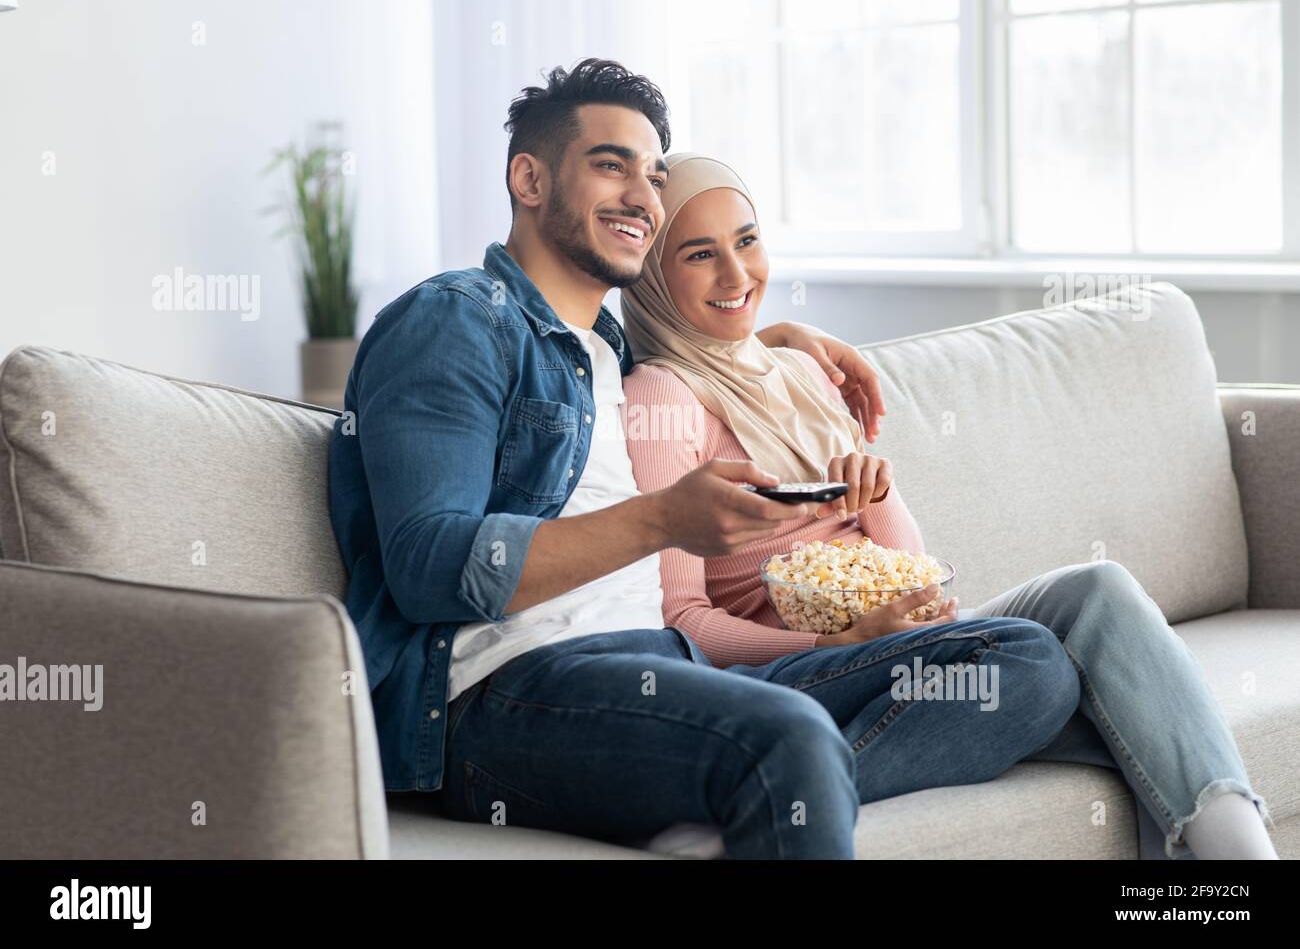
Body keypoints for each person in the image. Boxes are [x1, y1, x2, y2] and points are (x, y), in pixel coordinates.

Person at [328, 58, 1079, 859]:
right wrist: (661, 520)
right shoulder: (455, 321)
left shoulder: (608, 357)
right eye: (609, 164)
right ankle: (765, 781)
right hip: (510, 696)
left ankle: (738, 801)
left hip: (668, 668)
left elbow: (698, 342)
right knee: (784, 736)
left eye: (652, 175)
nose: (641, 197)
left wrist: (776, 344)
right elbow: (426, 566)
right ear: (529, 178)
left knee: (1023, 661)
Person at [619, 151, 1278, 860]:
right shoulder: (663, 399)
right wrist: (832, 643)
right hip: (807, 670)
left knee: (1099, 593)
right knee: (1056, 678)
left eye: (747, 240)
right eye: (698, 255)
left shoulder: (801, 372)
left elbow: (917, 580)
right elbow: (681, 623)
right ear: (654, 275)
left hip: (907, 641)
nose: (737, 274)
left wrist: (876, 489)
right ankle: (763, 801)